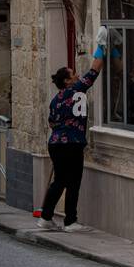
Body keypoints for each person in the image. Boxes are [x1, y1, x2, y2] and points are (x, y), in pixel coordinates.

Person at [37, 25, 108, 232]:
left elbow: (51, 123)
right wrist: (101, 45)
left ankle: (46, 217)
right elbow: (95, 69)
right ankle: (70, 221)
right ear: (67, 81)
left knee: (59, 181)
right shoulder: (77, 89)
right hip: (73, 144)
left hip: (56, 143)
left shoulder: (55, 99)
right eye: (73, 74)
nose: (77, 75)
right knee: (73, 181)